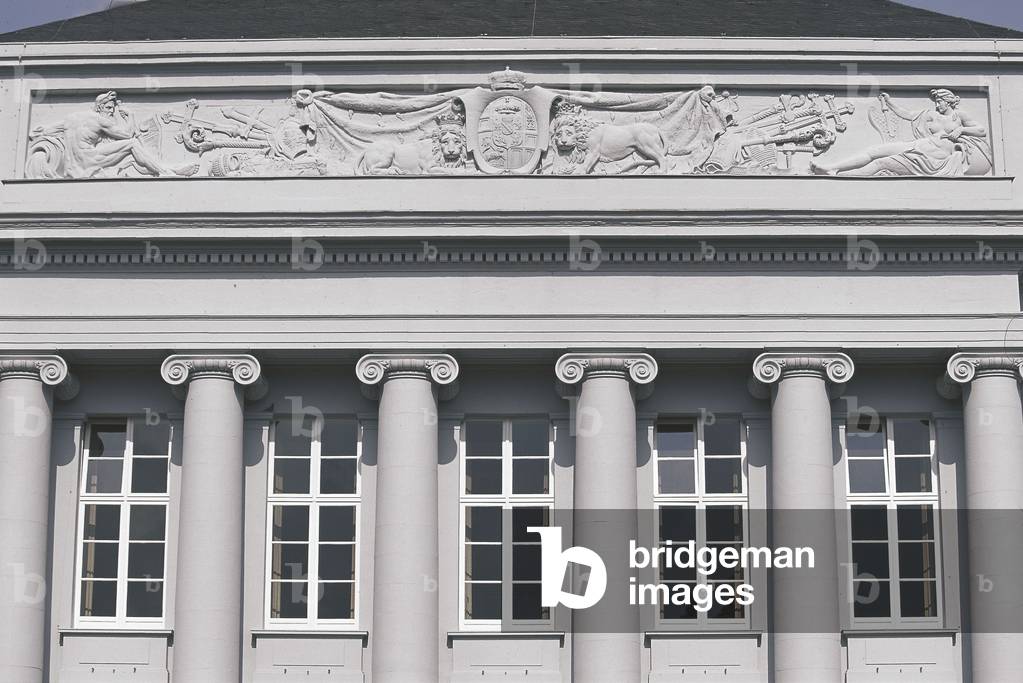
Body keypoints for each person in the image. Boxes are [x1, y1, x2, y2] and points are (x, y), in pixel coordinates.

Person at [811, 89, 992, 177]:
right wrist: (889, 103)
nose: (937, 105)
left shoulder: (958, 115)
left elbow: (981, 130)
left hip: (937, 156)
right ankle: (833, 168)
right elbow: (907, 114)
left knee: (882, 162)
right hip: (921, 146)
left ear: (949, 102)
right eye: (936, 102)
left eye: (940, 102)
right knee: (875, 150)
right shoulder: (930, 115)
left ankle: (841, 177)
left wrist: (962, 129)